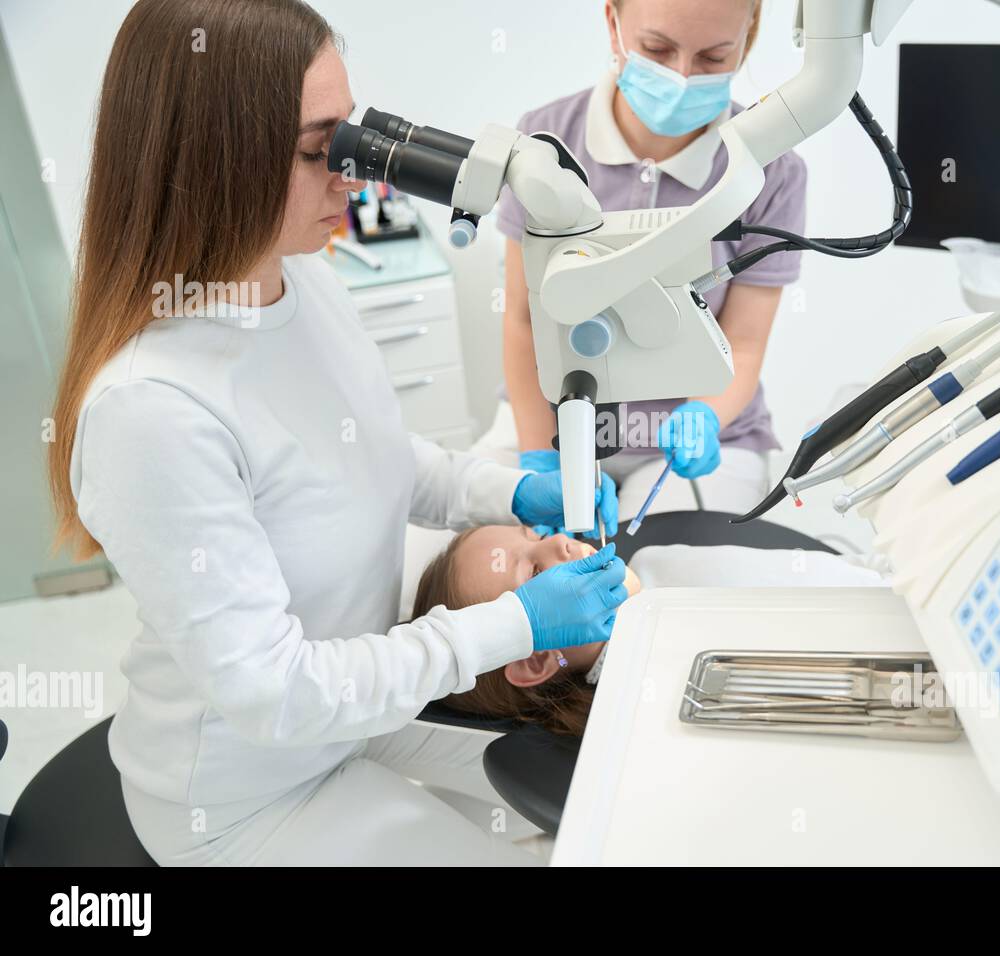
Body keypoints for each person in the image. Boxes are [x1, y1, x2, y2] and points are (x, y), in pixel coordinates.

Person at [45, 0, 625, 866]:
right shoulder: (152, 409)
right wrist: (513, 624)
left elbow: (372, 458)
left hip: (354, 715)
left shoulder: (303, 284)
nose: (352, 178)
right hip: (244, 791)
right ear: (215, 160)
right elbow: (273, 694)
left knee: (606, 805)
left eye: (349, 140)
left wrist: (505, 487)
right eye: (321, 152)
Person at [473, 0, 807, 527]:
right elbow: (521, 322)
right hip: (550, 417)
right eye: (657, 49)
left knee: (667, 574)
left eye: (713, 57)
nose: (681, 77)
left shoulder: (770, 171)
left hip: (693, 431)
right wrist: (540, 458)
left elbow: (742, 342)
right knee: (483, 560)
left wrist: (704, 416)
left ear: (749, 36)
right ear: (612, 22)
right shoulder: (542, 145)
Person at [410, 525, 886, 734]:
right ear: (535, 660)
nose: (558, 541)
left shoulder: (651, 566)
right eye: (534, 573)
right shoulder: (664, 682)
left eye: (533, 534)